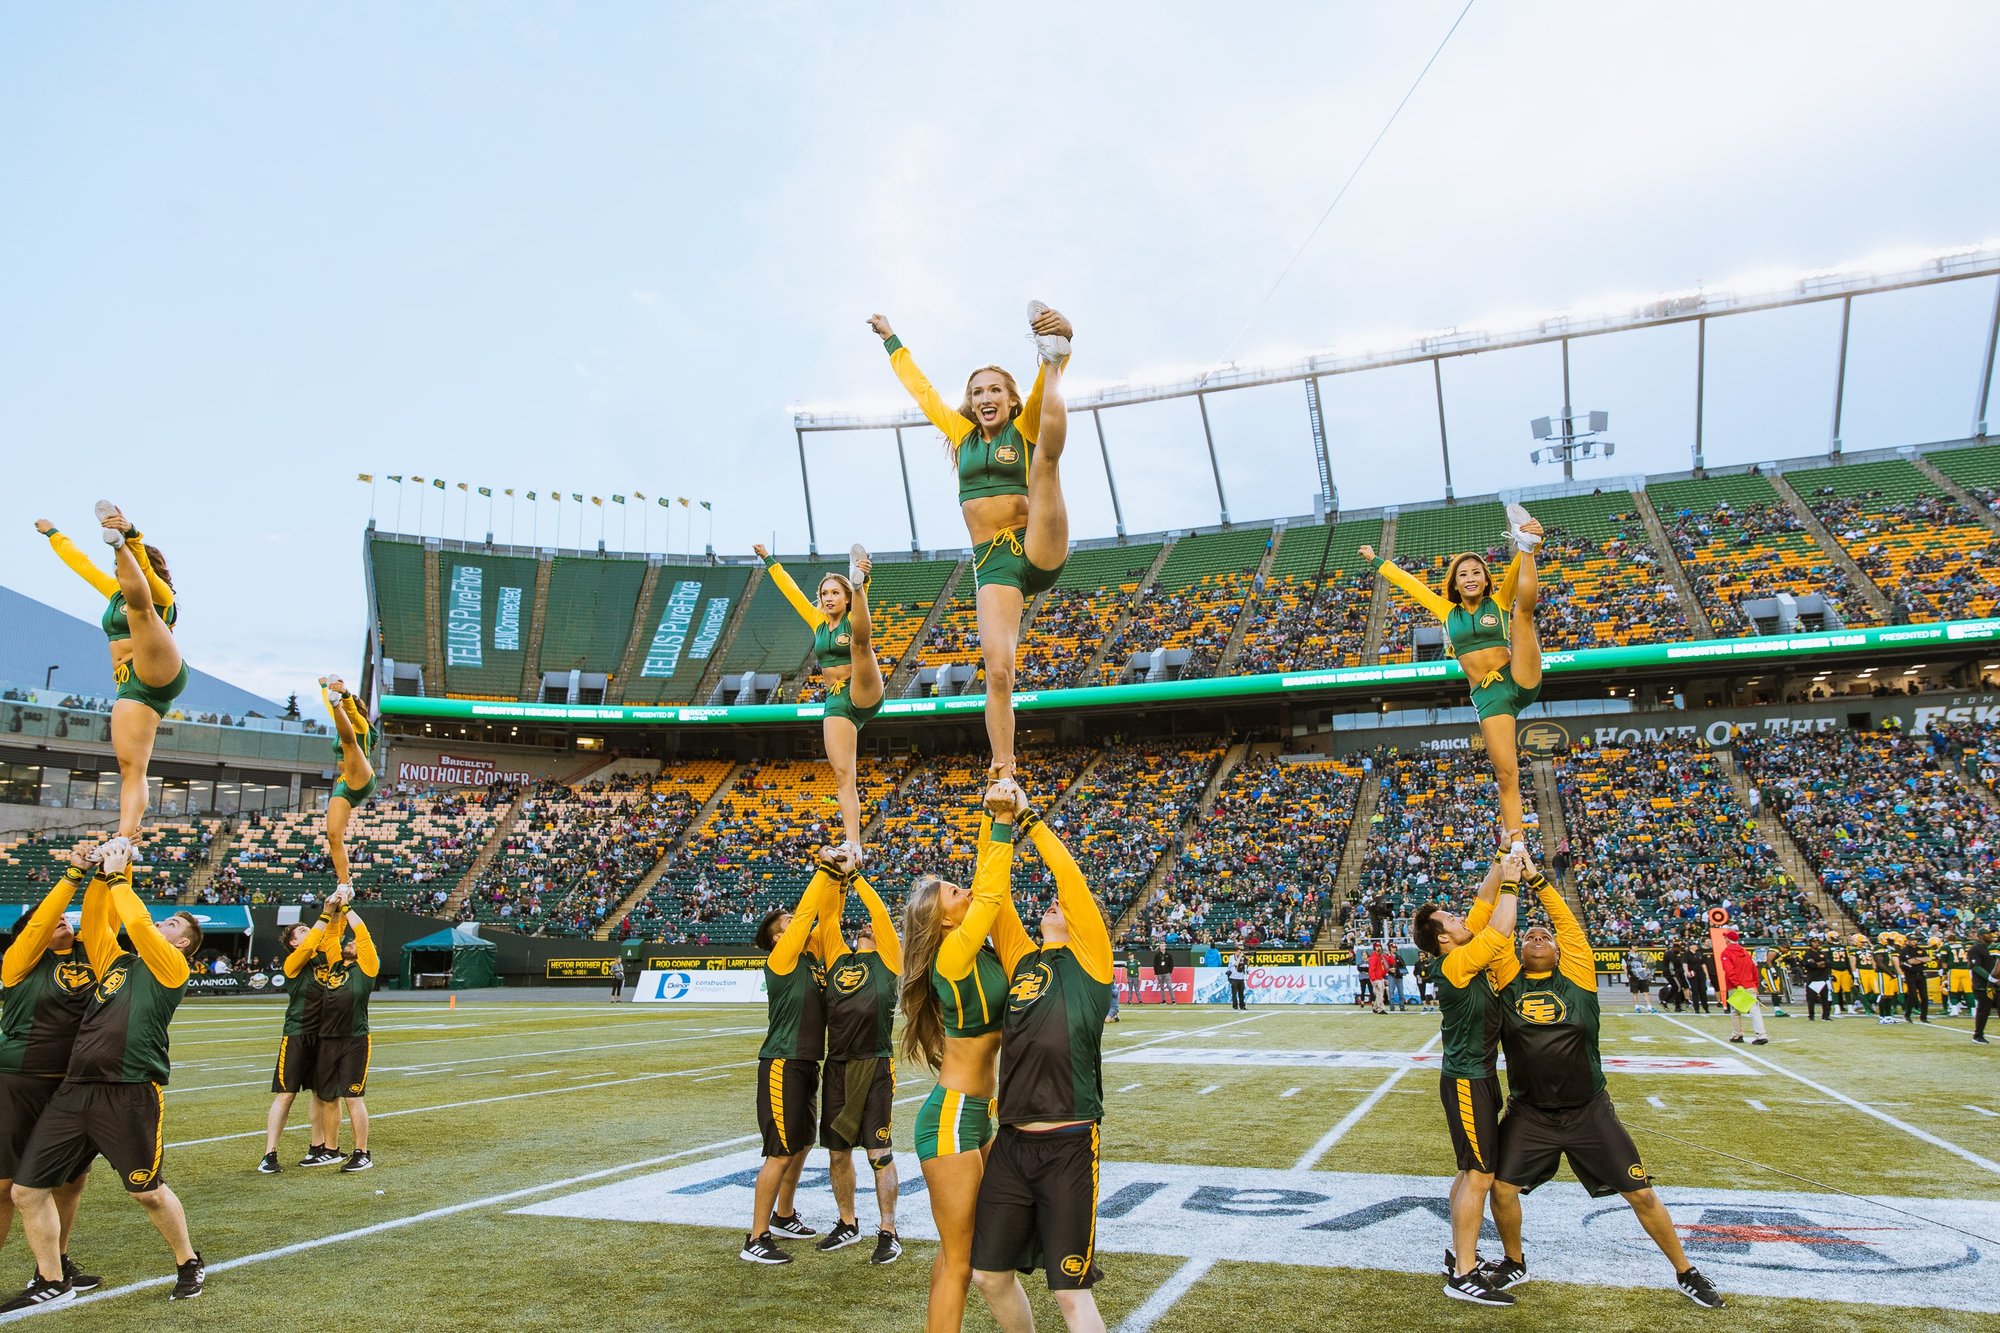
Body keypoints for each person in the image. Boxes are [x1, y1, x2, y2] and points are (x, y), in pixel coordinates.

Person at [1480, 855, 1725, 1309]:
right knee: (1501, 1188)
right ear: (1516, 949)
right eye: (1528, 936)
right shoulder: (1507, 978)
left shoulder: (1577, 976)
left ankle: (1685, 1271)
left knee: (1642, 1193)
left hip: (1589, 1110)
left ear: (1558, 951)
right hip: (1529, 1111)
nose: (1537, 938)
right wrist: (1506, 879)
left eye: (1544, 937)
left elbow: (1566, 923)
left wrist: (1535, 878)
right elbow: (1497, 929)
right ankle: (1514, 1260)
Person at [868, 306, 1073, 793]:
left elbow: (1042, 403)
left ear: (1009, 399)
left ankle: (1053, 354)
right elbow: (922, 391)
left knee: (1044, 458)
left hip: (1038, 541)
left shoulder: (1021, 431)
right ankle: (1005, 766)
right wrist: (892, 339)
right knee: (998, 672)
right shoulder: (961, 437)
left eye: (995, 390)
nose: (985, 397)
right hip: (994, 564)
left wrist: (1062, 349)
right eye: (977, 391)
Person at [5, 840, 205, 1309]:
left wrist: (119, 874)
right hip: (74, 1090)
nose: (162, 924)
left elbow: (135, 921)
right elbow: (99, 924)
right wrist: (100, 874)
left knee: (147, 1191)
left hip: (130, 1089)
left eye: (172, 924)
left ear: (181, 944)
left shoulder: (172, 967)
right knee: (26, 1189)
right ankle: (52, 1280)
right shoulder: (116, 964)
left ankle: (188, 1261)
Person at [968, 783, 1115, 1333]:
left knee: (1071, 1292)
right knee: (988, 1275)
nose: (1053, 905)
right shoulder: (1023, 959)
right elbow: (994, 894)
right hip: (1011, 1142)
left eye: (1062, 908)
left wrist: (1029, 820)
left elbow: (1069, 881)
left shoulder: (1092, 962)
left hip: (1069, 1144)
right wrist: (996, 818)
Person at [1361, 504, 1546, 850]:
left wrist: (1529, 545)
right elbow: (1410, 584)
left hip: (1517, 677)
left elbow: (1519, 582)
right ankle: (1516, 842)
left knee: (1523, 615)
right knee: (1506, 775)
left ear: (1486, 579)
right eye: (1464, 574)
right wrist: (1376, 560)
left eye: (1477, 571)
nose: (1471, 577)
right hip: (1489, 699)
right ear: (1456, 584)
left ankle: (1524, 544)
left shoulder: (1499, 601)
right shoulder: (1447, 612)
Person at [899, 792, 1016, 1329]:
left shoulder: (979, 949)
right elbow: (989, 895)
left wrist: (997, 807)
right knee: (963, 1262)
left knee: (963, 1253)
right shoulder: (953, 953)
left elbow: (990, 891)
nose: (964, 890)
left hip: (977, 1116)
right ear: (941, 920)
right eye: (953, 891)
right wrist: (999, 821)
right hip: (950, 1120)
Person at [35, 504, 189, 853]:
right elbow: (83, 566)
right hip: (131, 685)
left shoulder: (163, 596)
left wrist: (130, 539)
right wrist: (53, 534)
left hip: (161, 668)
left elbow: (145, 582)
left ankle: (120, 540)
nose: (117, 573)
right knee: (131, 767)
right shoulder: (114, 591)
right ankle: (126, 837)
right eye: (117, 565)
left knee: (141, 606)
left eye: (123, 566)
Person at [1411, 853, 1521, 1305]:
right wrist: (1513, 882)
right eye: (1451, 918)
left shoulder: (1461, 946)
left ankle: (1460, 1254)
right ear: (1442, 938)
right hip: (1466, 1079)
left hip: (1476, 1075)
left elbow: (1483, 898)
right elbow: (1500, 928)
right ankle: (1464, 1272)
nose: (1461, 918)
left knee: (1469, 1170)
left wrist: (1504, 857)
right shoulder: (1456, 964)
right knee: (1481, 1173)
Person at [0, 849, 102, 1293]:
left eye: (67, 918)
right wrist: (74, 873)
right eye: (53, 920)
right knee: (4, 1185)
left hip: (74, 1085)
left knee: (72, 1180)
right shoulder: (19, 962)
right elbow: (44, 919)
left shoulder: (91, 953)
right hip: (18, 1082)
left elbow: (104, 918)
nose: (63, 921)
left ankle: (56, 1262)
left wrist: (114, 864)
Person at [754, 542, 884, 870]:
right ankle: (854, 844)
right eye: (825, 593)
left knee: (859, 642)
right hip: (837, 700)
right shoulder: (817, 620)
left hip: (865, 689)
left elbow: (861, 632)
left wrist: (861, 586)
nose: (828, 598)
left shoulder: (851, 615)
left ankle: (860, 582)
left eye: (835, 593)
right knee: (844, 775)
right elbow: (792, 591)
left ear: (845, 597)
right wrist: (770, 560)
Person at [740, 864, 845, 1265]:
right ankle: (756, 1237)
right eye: (788, 923)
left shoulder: (811, 960)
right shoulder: (783, 957)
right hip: (782, 1061)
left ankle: (784, 1215)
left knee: (801, 1144)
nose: (802, 926)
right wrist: (826, 868)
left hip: (805, 1061)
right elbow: (808, 915)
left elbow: (827, 914)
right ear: (779, 936)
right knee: (780, 1151)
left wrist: (838, 882)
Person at [817, 878, 904, 1266]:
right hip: (836, 1065)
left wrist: (855, 877)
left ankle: (888, 1230)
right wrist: (834, 878)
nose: (866, 926)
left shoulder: (889, 959)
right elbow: (827, 916)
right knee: (837, 1154)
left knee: (878, 1153)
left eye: (870, 926)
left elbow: (881, 914)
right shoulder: (836, 958)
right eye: (863, 926)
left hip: (875, 1065)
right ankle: (847, 1222)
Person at [259, 904, 345, 1173]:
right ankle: (269, 1154)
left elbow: (335, 930)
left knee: (323, 1094)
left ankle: (318, 1147)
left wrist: (340, 904)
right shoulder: (294, 961)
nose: (310, 932)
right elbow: (311, 943)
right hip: (298, 1032)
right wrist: (323, 915)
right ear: (294, 942)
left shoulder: (326, 956)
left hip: (326, 1035)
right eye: (303, 931)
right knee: (286, 1094)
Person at [314, 903, 379, 1172]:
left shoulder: (366, 969)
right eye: (349, 942)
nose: (350, 943)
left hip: (354, 1039)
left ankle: (362, 1152)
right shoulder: (336, 965)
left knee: (353, 1097)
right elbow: (330, 936)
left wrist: (348, 905)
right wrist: (333, 910)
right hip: (327, 1038)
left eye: (353, 943)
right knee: (327, 1096)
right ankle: (331, 1149)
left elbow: (362, 934)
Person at [318, 677, 376, 897]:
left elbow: (350, 713)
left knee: (350, 742)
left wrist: (344, 695)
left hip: (361, 776)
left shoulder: (361, 725)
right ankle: (345, 884)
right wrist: (325, 688)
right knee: (333, 835)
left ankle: (338, 701)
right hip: (344, 785)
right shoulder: (339, 719)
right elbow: (331, 708)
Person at [1718, 929, 1768, 1045]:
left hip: (1736, 987)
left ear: (1727, 939)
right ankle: (1761, 1035)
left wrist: (1737, 984)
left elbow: (1729, 970)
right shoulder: (1745, 952)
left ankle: (1737, 1034)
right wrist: (1755, 984)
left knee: (1735, 1012)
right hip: (1749, 984)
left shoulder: (1726, 953)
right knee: (1755, 1011)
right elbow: (1754, 969)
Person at [1898, 935, 1931, 1025]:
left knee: (1924, 996)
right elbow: (1910, 961)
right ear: (1908, 941)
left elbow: (1928, 959)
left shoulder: (1920, 949)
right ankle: (1907, 1015)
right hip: (1910, 975)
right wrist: (1920, 960)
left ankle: (1924, 1017)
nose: (1915, 942)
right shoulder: (1905, 950)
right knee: (1912, 995)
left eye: (1915, 940)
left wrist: (1917, 959)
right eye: (1912, 940)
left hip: (1921, 974)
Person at [1798, 940, 1834, 1022]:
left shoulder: (1822, 953)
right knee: (1811, 999)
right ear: (1811, 943)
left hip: (1823, 978)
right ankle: (1811, 1015)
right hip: (1813, 978)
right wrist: (1819, 964)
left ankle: (1826, 1016)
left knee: (1826, 999)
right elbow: (1810, 965)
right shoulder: (1808, 954)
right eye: (1814, 942)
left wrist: (1818, 964)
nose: (1817, 944)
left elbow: (1828, 963)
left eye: (1817, 942)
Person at [1970, 929, 1995, 1045]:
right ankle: (1978, 1035)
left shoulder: (1993, 947)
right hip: (1983, 985)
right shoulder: (1975, 949)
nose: (1990, 935)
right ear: (1980, 936)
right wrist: (1991, 978)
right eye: (1987, 934)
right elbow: (1975, 967)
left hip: (1996, 984)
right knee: (1984, 1010)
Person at [1624, 947, 1654, 1015]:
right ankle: (1637, 1007)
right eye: (1634, 946)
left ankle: (1649, 1007)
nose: (1636, 947)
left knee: (1646, 992)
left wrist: (1646, 972)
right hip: (1633, 977)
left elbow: (1646, 964)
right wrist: (1628, 976)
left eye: (1637, 946)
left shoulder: (1641, 956)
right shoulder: (1626, 957)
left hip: (1642, 976)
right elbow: (1625, 967)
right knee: (1635, 992)